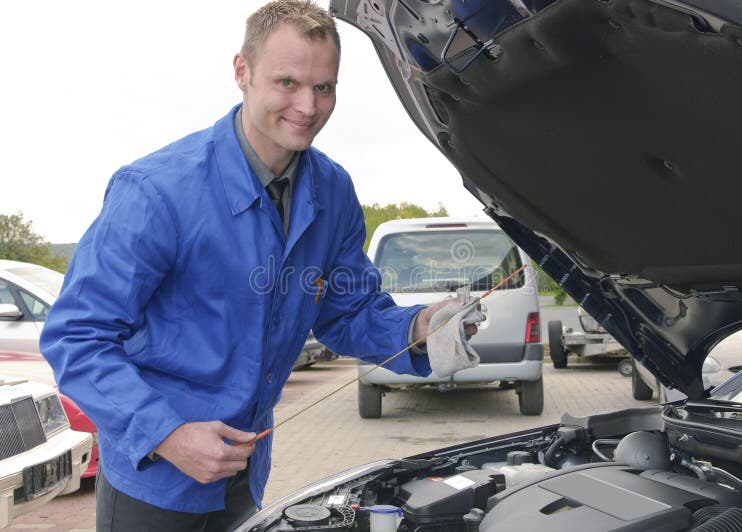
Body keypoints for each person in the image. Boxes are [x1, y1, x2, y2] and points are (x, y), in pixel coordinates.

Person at [40, 2, 473, 530]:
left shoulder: (332, 192)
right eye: (287, 82)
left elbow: (347, 313)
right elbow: (76, 337)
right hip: (153, 485)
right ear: (242, 72)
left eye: (324, 88)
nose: (307, 106)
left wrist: (420, 328)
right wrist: (168, 435)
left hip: (244, 476)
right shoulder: (156, 192)